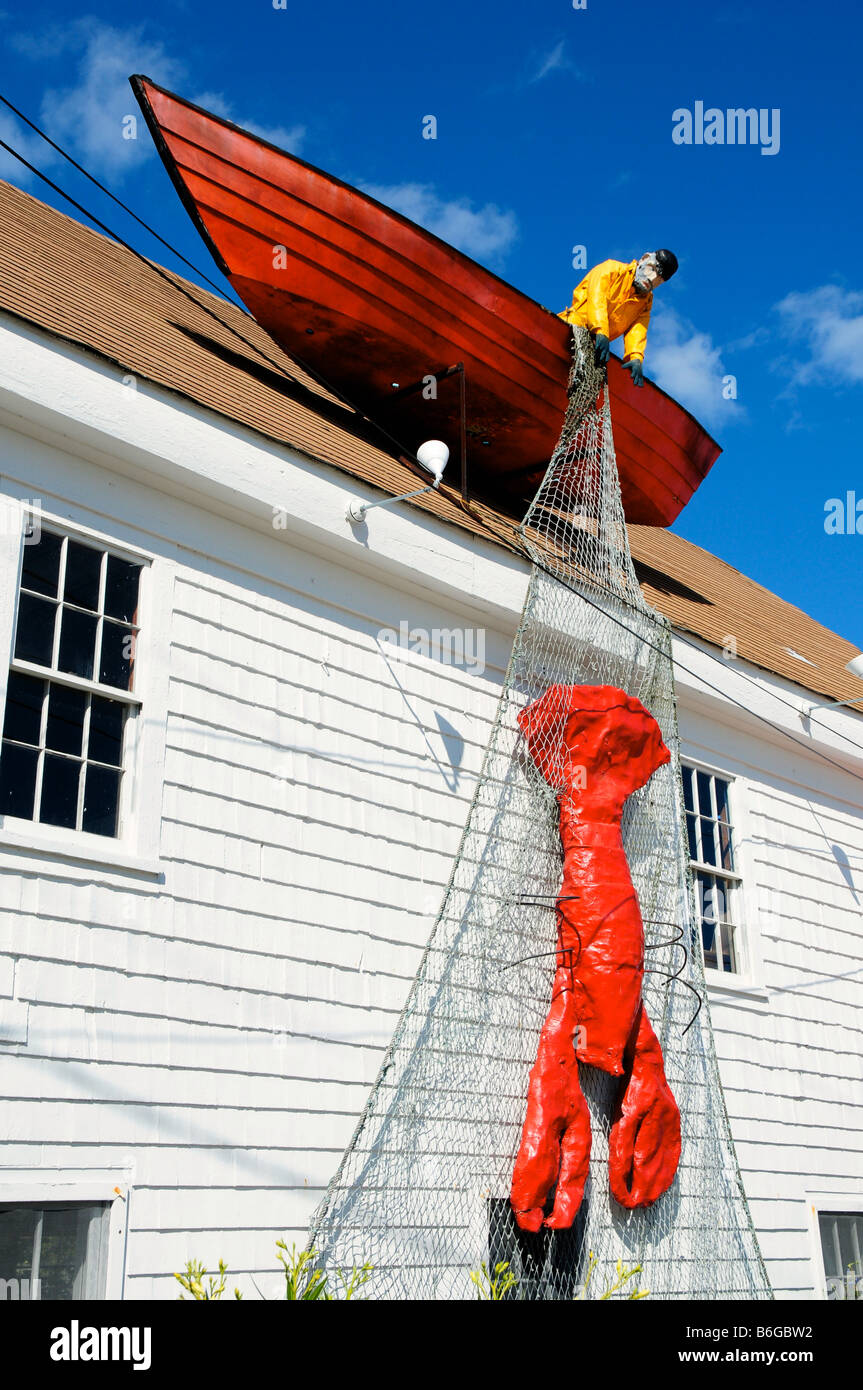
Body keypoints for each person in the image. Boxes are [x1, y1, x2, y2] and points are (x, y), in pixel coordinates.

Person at [559, 250, 678, 386]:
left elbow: (638, 330)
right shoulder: (612, 269)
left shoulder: (645, 302)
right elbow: (597, 297)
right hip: (571, 327)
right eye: (652, 270)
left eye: (659, 279)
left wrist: (635, 357)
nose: (652, 279)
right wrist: (601, 330)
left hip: (593, 347)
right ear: (644, 259)